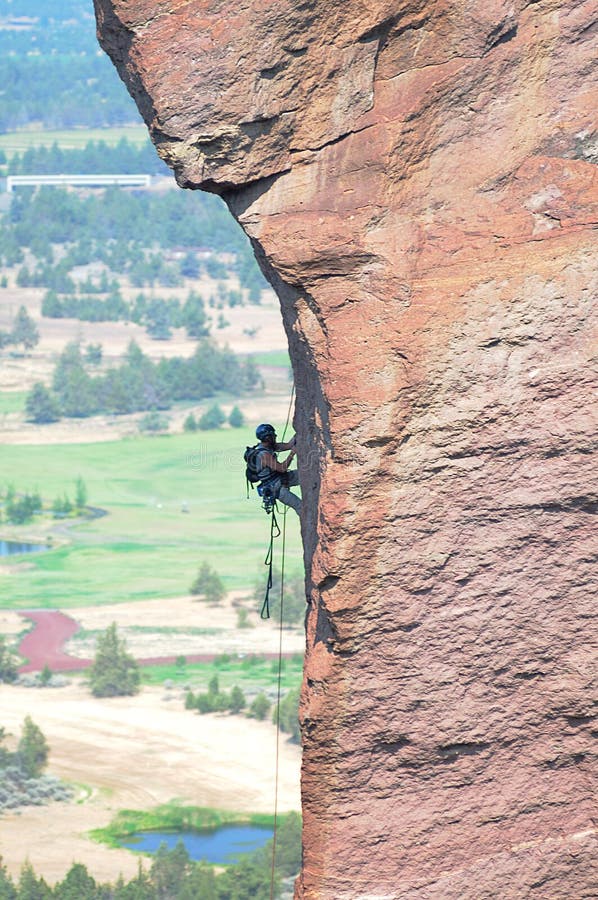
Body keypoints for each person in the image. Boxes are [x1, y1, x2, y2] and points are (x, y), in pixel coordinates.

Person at [254, 422, 301, 515]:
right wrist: (292, 454)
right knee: (300, 506)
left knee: (305, 475)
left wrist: (300, 431)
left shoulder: (270, 446)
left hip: (280, 479)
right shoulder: (264, 455)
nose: (275, 436)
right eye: (273, 435)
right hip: (276, 489)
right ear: (268, 438)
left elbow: (289, 445)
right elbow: (282, 468)